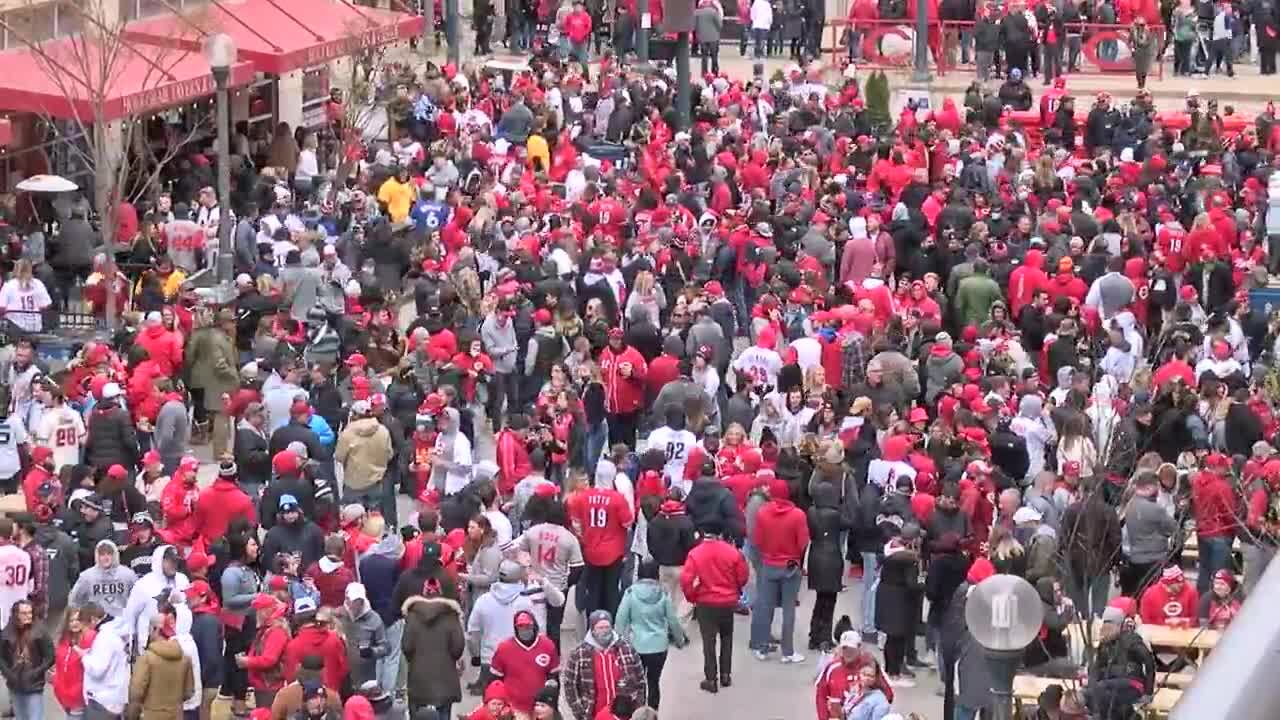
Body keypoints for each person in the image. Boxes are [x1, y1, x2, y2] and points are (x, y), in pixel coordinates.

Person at [679, 518, 746, 694]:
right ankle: (726, 674)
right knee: (727, 637)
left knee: (708, 641)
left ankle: (711, 678)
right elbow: (743, 576)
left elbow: (686, 580)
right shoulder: (732, 552)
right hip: (727, 602)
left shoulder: (695, 553)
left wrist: (692, 597)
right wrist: (736, 590)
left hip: (706, 602)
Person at [749, 478, 809, 663]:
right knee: (788, 609)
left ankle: (762, 647)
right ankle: (788, 651)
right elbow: (803, 542)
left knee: (766, 606)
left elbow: (757, 541)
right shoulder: (798, 515)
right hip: (790, 566)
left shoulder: (762, 513)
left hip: (769, 564)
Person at [616, 559, 686, 707]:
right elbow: (673, 620)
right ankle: (653, 713)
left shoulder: (630, 593)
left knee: (637, 683)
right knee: (654, 681)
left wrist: (618, 643)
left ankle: (639, 713)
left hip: (636, 646)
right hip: (659, 647)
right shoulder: (663, 594)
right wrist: (680, 639)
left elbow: (621, 620)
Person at [562, 611, 646, 720]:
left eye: (607, 627)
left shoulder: (627, 649)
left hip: (624, 714)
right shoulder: (579, 654)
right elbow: (570, 685)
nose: (604, 631)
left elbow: (640, 681)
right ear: (592, 630)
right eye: (600, 628)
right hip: (594, 714)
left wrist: (637, 707)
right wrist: (580, 712)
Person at [402, 579, 465, 720]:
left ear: (423, 593)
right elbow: (457, 648)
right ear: (440, 592)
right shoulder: (451, 616)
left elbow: (406, 646)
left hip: (419, 680)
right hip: (445, 678)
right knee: (443, 713)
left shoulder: (412, 616)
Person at [1086, 606, 1156, 720]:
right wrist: (1091, 683)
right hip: (1109, 686)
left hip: (1132, 684)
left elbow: (1149, 662)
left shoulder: (1132, 640)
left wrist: (1148, 692)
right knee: (1096, 695)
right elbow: (1096, 668)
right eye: (1104, 626)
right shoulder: (1105, 644)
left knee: (1101, 692)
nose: (1105, 630)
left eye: (1109, 627)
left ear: (1118, 626)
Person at [489, 610, 559, 717]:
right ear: (515, 628)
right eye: (520, 627)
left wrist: (551, 703)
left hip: (540, 708)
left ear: (534, 626)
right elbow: (495, 680)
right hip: (514, 708)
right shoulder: (504, 648)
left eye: (528, 626)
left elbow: (554, 676)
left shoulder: (547, 645)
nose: (524, 630)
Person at [128, 613, 196, 720]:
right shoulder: (185, 658)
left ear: (156, 629)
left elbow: (136, 692)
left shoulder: (147, 658)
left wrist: (132, 715)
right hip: (176, 714)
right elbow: (188, 692)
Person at [0, 599, 54, 720]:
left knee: (35, 717)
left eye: (30, 612)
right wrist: (7, 673)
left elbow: (50, 657)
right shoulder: (7, 632)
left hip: (34, 685)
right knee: (20, 717)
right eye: (24, 613)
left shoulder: (40, 632)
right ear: (16, 614)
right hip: (14, 684)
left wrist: (36, 672)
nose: (28, 616)